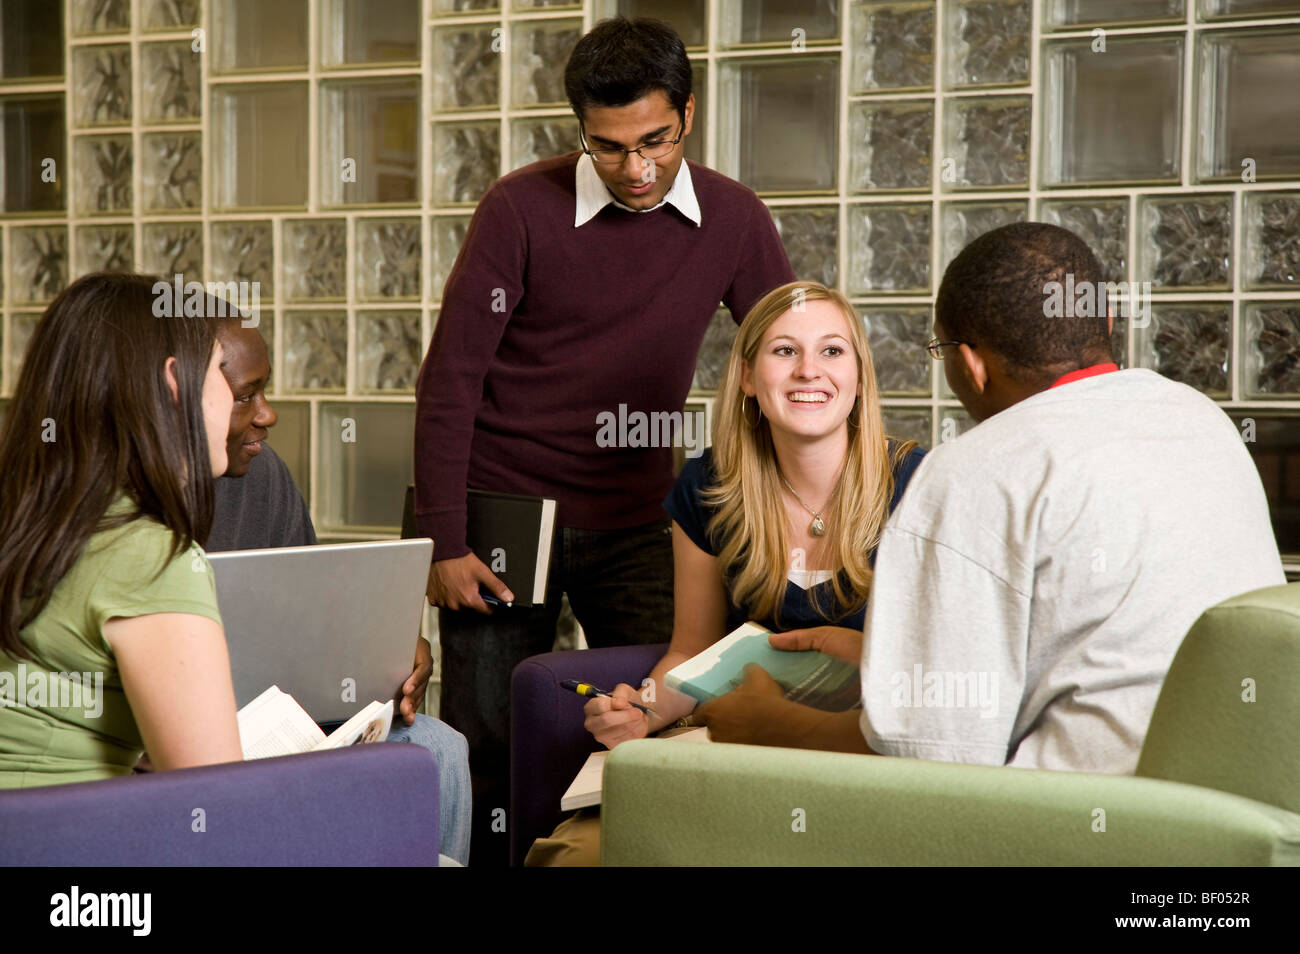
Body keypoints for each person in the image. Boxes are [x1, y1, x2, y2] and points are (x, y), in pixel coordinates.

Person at [695, 223, 1286, 773]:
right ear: (1103, 320)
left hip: (1090, 818)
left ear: (971, 365)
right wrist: (885, 661)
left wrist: (773, 725)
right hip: (1239, 790)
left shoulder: (969, 473)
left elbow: (934, 759)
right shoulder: (1199, 420)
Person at [414, 17, 794, 863]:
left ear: (687, 116)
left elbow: (788, 349)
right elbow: (450, 379)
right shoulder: (518, 206)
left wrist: (779, 502)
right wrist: (443, 538)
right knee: (490, 742)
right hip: (504, 513)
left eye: (654, 141)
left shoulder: (732, 217)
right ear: (582, 130)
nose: (637, 168)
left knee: (671, 707)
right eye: (609, 147)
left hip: (638, 518)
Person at [524, 280, 926, 865]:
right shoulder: (709, 486)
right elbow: (692, 650)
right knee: (579, 853)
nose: (809, 371)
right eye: (784, 351)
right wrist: (640, 710)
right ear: (746, 377)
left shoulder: (922, 484)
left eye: (832, 351)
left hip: (866, 754)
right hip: (743, 747)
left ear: (860, 377)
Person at [205, 315, 472, 865]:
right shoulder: (122, 519)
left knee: (439, 749)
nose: (268, 415)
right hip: (200, 740)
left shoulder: (262, 474)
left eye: (265, 390)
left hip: (284, 722)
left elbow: (309, 610)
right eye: (245, 396)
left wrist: (384, 652)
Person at [0, 272, 243, 787]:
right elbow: (218, 804)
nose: (233, 395)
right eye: (221, 369)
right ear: (176, 383)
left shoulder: (30, 520)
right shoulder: (150, 557)